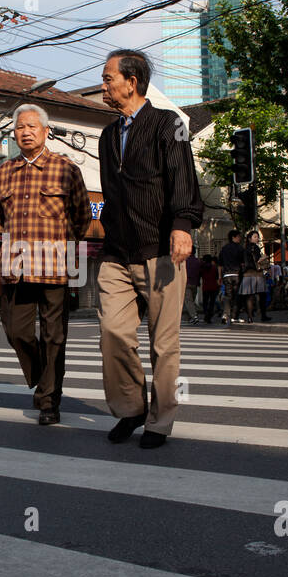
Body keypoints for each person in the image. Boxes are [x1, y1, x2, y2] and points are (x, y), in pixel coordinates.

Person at [96, 49, 204, 449]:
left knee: (163, 342)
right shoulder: (108, 135)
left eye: (109, 78)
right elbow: (110, 191)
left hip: (161, 249)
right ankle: (130, 409)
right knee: (112, 333)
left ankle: (159, 421)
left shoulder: (167, 123)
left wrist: (182, 224)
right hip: (116, 251)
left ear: (132, 81)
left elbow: (180, 176)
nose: (103, 84)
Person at [0, 104, 91, 425]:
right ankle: (40, 373)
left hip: (53, 266)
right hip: (15, 267)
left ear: (46, 131)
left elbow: (82, 217)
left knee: (54, 337)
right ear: (15, 132)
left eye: (33, 126)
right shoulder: (5, 171)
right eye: (20, 127)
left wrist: (61, 246)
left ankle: (49, 400)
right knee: (15, 331)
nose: (26, 131)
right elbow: (2, 218)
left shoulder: (66, 169)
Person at [218, 230, 246, 323]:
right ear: (233, 237)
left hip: (226, 275)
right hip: (237, 275)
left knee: (227, 295)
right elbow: (243, 263)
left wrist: (219, 277)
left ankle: (225, 315)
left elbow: (220, 265)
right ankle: (234, 316)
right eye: (238, 236)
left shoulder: (224, 249)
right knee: (236, 296)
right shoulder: (240, 248)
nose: (239, 238)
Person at [241, 230, 268, 322]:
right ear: (250, 238)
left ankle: (249, 317)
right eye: (255, 237)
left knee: (249, 297)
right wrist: (263, 258)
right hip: (256, 274)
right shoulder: (255, 247)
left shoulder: (244, 248)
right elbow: (257, 260)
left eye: (257, 237)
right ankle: (263, 315)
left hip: (247, 274)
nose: (257, 239)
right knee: (262, 295)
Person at [200, 254, 221, 324]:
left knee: (205, 303)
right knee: (212, 303)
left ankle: (206, 314)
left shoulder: (202, 268)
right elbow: (217, 278)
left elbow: (200, 276)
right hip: (213, 287)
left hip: (205, 287)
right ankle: (209, 316)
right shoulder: (214, 268)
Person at [183, 251, 201, 323]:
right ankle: (189, 317)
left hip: (186, 283)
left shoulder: (184, 261)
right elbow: (200, 272)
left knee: (188, 301)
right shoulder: (198, 261)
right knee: (191, 300)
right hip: (195, 283)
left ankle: (194, 316)